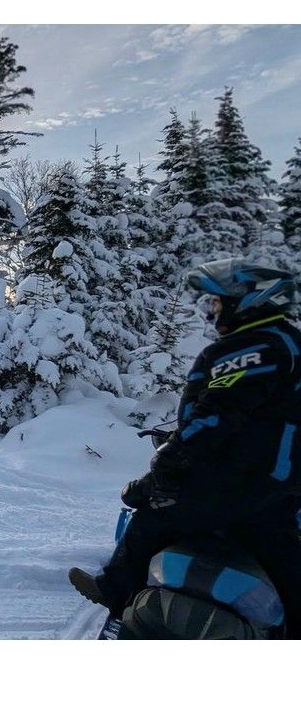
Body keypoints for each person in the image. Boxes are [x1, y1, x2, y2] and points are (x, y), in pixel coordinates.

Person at [69, 258, 301, 636]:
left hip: (233, 479)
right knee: (282, 555)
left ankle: (114, 592)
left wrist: (168, 465)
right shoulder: (288, 343)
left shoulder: (252, 348)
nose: (213, 310)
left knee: (151, 516)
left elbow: (216, 417)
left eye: (219, 302)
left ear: (251, 301)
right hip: (276, 480)